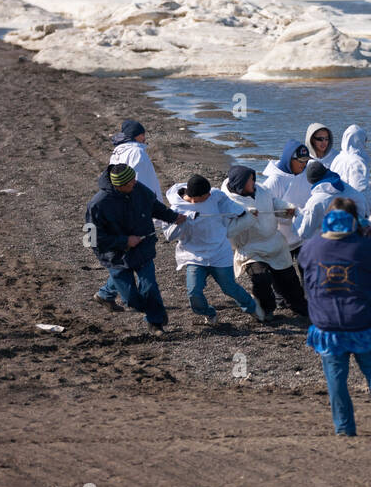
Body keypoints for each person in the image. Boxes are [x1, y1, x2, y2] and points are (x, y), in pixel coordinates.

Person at [299, 197, 371, 438]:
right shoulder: (365, 248)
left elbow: (304, 269)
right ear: (354, 222)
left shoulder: (311, 247)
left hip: (327, 325)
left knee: (335, 377)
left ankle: (344, 427)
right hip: (362, 322)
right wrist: (370, 231)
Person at [85, 162, 187, 333]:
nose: (134, 184)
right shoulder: (98, 204)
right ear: (118, 185)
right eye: (130, 183)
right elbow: (91, 238)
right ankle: (148, 311)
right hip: (115, 257)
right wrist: (124, 241)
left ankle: (156, 323)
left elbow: (154, 206)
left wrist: (173, 217)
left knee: (150, 288)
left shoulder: (138, 188)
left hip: (143, 249)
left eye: (134, 180)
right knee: (130, 299)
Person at [161, 173, 266, 324]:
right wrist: (182, 221)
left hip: (219, 252)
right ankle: (208, 312)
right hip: (194, 256)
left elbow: (229, 206)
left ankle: (252, 307)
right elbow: (169, 236)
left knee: (229, 288)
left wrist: (243, 212)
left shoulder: (215, 195)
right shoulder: (176, 208)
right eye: (206, 194)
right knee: (194, 292)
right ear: (193, 197)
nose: (209, 195)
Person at [220, 164, 307, 321]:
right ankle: (267, 309)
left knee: (289, 278)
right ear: (239, 184)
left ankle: (299, 306)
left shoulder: (261, 190)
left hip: (273, 241)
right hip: (250, 247)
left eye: (253, 178)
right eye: (249, 180)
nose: (253, 182)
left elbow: (274, 202)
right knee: (261, 278)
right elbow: (228, 231)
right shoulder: (228, 202)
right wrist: (248, 218)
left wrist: (286, 208)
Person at [95, 118, 161, 311]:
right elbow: (139, 183)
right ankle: (110, 294)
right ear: (137, 135)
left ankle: (106, 293)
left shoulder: (118, 152)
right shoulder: (138, 153)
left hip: (119, 207)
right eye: (143, 134)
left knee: (129, 255)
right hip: (135, 210)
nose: (145, 137)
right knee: (137, 256)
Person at [262, 140, 313, 257]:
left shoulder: (306, 176)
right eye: (300, 161)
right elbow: (265, 210)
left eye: (306, 161)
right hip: (281, 241)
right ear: (289, 159)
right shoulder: (274, 181)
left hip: (303, 237)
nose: (303, 164)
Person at [294, 160, 364, 243]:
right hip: (356, 238)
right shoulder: (346, 187)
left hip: (330, 245)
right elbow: (362, 203)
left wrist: (297, 216)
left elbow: (304, 234)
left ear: (311, 181)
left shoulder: (315, 202)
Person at [331, 125, 371, 223]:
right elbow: (362, 189)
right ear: (359, 141)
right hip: (353, 211)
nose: (365, 145)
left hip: (336, 208)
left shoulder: (337, 159)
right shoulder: (357, 162)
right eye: (364, 141)